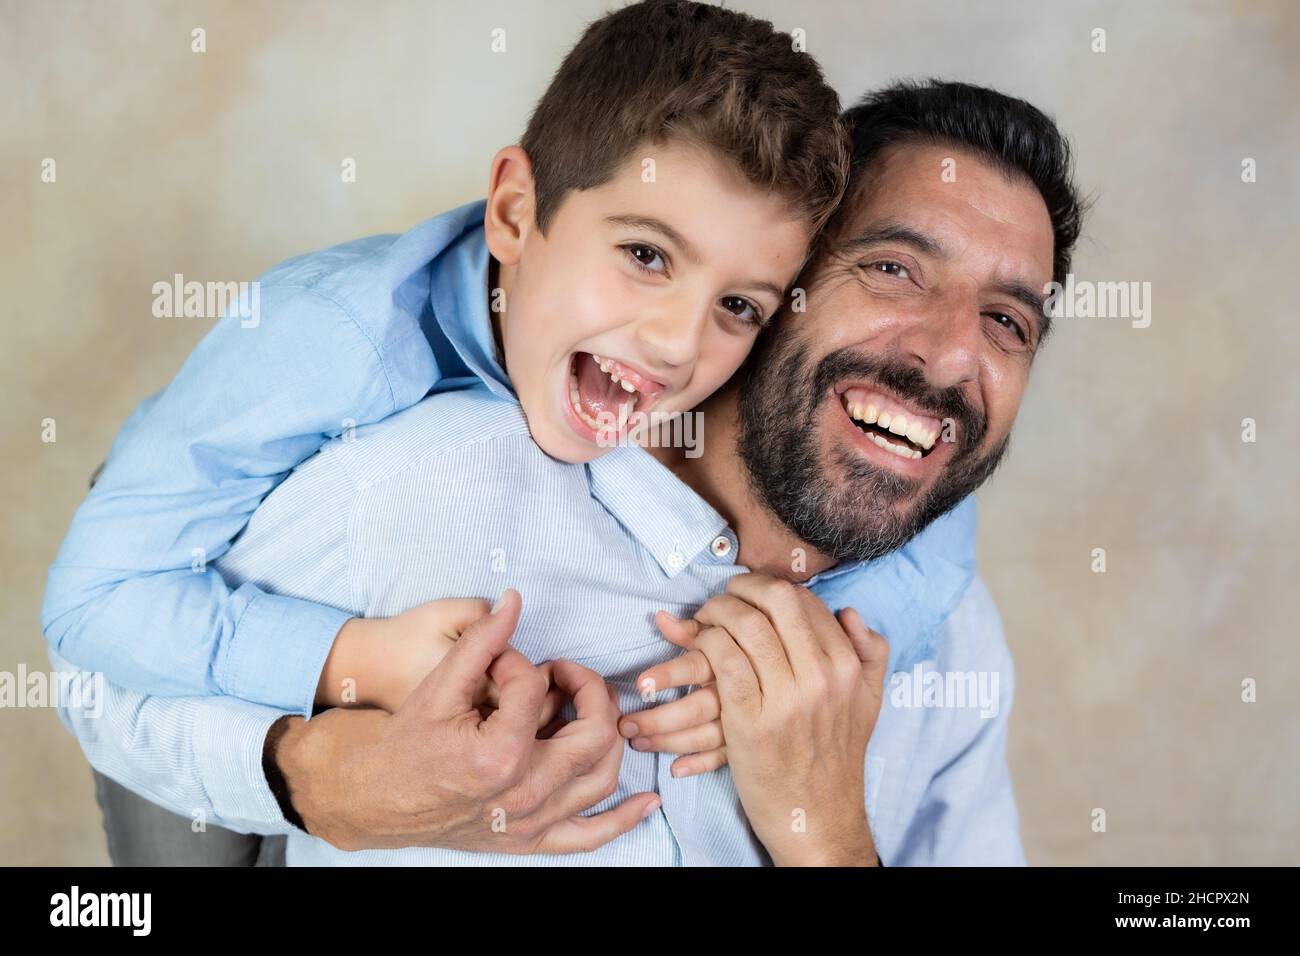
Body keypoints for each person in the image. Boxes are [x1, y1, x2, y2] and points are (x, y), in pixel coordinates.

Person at [51, 78, 1084, 865]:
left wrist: (826, 832)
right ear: (787, 282)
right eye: (893, 268)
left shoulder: (949, 629)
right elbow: (105, 654)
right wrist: (318, 769)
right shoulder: (408, 491)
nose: (952, 354)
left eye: (1006, 320)